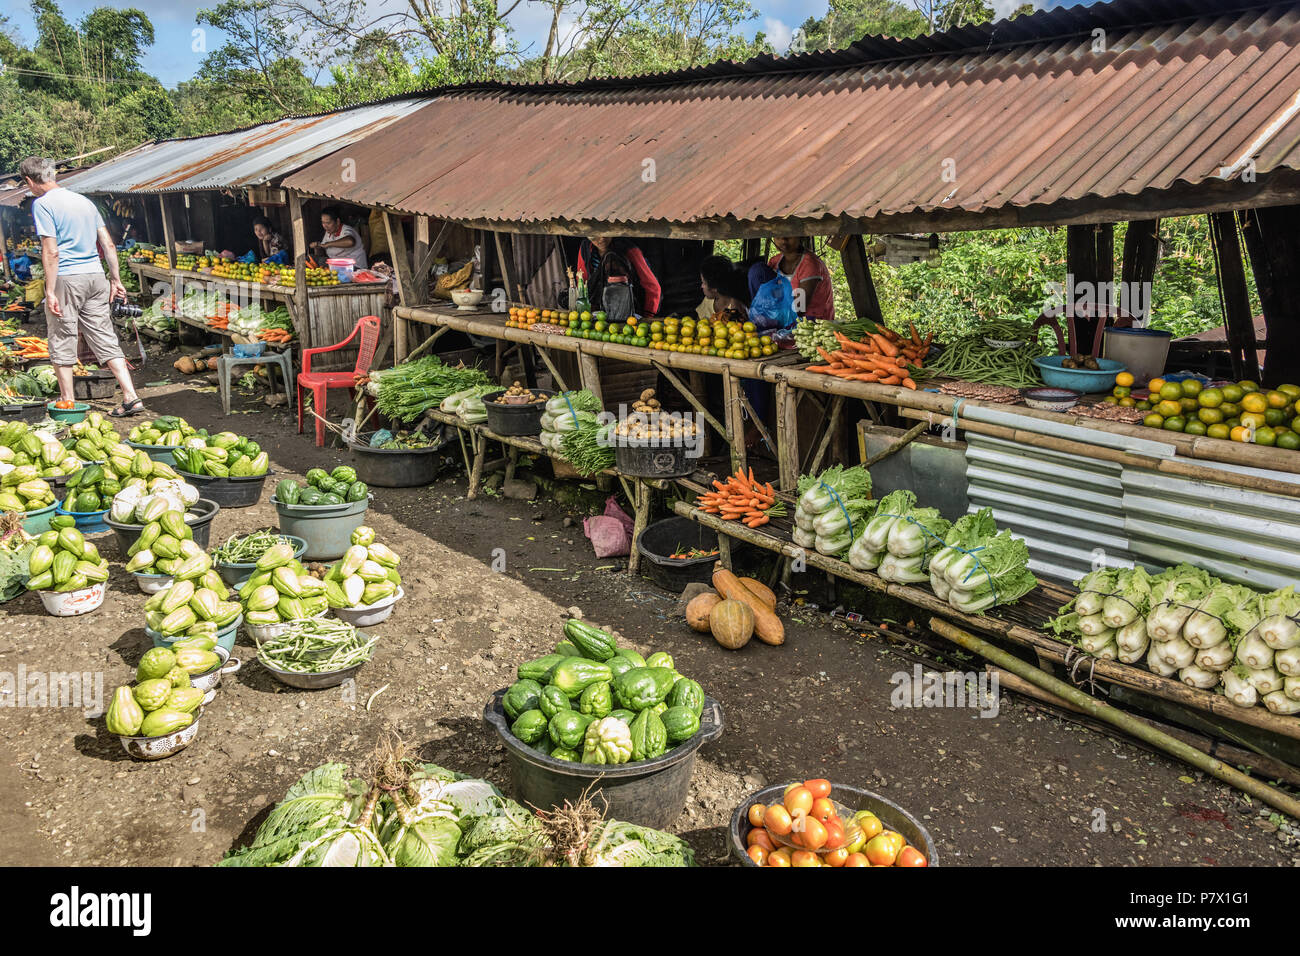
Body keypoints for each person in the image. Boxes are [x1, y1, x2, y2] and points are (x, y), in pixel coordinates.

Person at [21, 156, 143, 417]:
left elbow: (51, 251)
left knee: (62, 335)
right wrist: (116, 280)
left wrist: (50, 290)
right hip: (96, 276)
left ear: (30, 181)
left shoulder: (42, 205)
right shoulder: (84, 202)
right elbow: (108, 245)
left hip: (67, 277)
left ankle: (68, 401)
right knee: (104, 335)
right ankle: (131, 396)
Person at [576, 236, 661, 319]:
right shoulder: (585, 248)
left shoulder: (628, 249)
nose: (602, 238)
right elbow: (582, 281)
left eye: (606, 233)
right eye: (595, 236)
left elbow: (652, 287)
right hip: (599, 313)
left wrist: (647, 317)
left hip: (628, 310)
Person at [770, 236, 834, 321]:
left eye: (789, 234)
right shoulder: (774, 261)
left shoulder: (810, 264)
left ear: (799, 236)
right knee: (757, 270)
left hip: (812, 322)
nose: (783, 239)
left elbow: (799, 308)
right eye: (778, 235)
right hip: (784, 316)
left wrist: (771, 313)